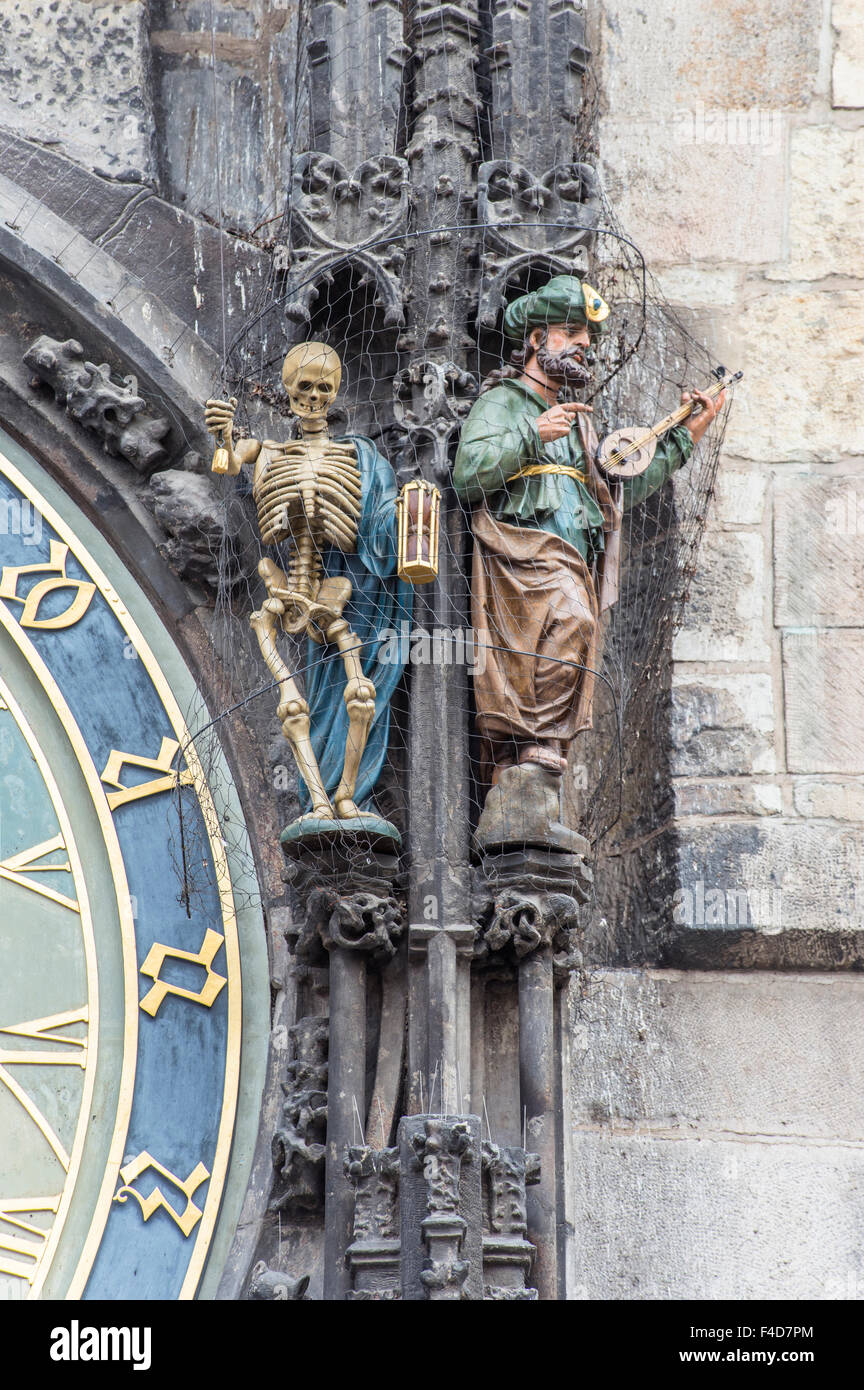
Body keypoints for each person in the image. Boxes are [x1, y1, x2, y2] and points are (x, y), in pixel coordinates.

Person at [452, 275, 724, 830]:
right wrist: (533, 434)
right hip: (520, 560)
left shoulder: (578, 421)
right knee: (568, 620)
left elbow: (612, 492)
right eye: (570, 331)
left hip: (573, 558)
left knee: (572, 632)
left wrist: (683, 437)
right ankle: (524, 750)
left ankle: (540, 749)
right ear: (535, 339)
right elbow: (466, 476)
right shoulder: (503, 402)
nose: (582, 345)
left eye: (587, 337)